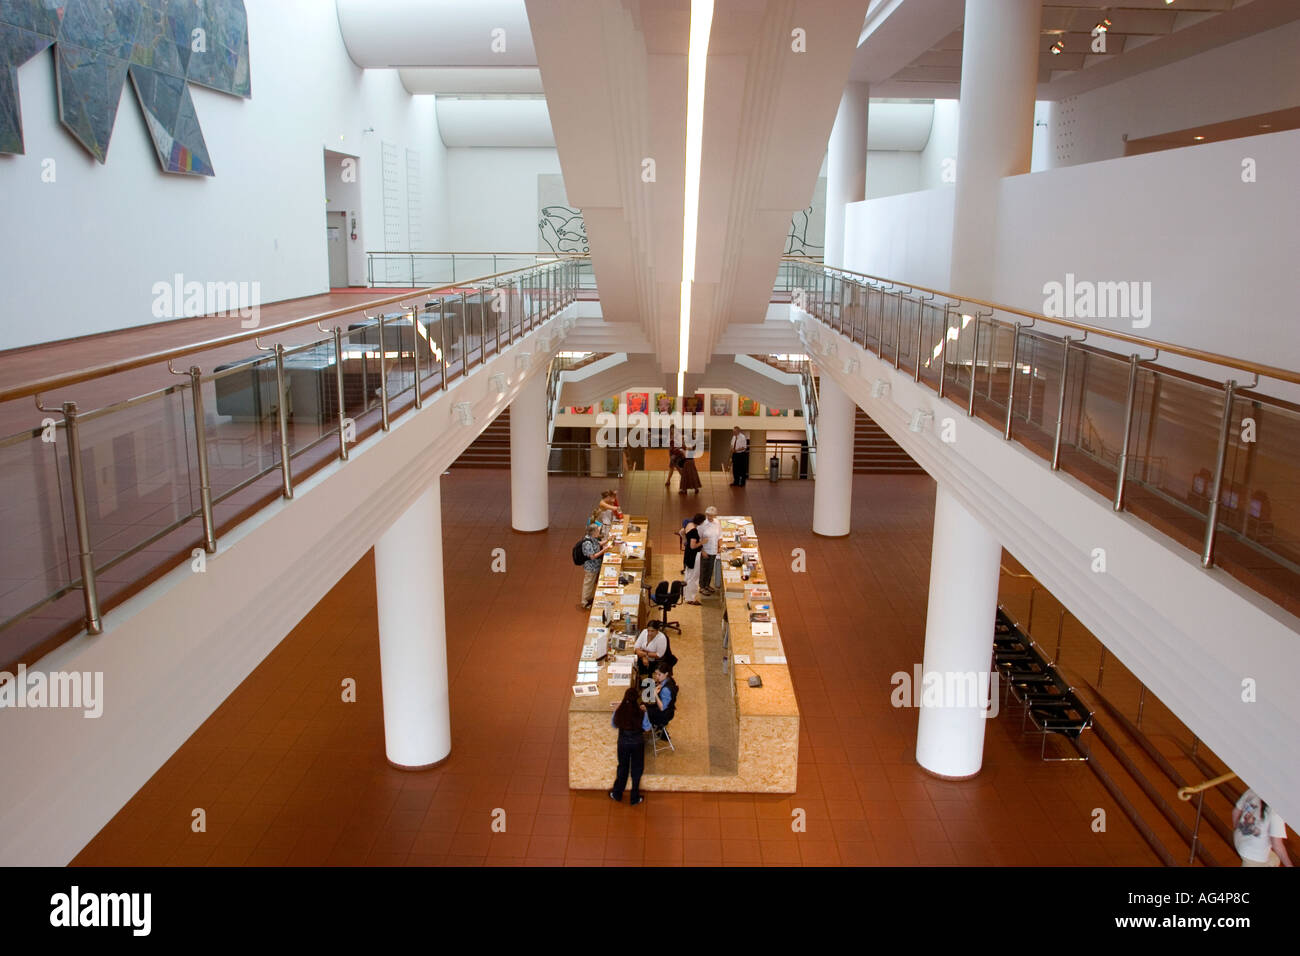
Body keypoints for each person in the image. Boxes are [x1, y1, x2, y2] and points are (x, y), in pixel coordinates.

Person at [1232, 789, 1293, 866]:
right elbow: (1277, 845)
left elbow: (1235, 812)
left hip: (1238, 839)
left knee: (1274, 859)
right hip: (1253, 855)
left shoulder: (1252, 790)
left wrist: (1237, 829)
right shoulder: (1276, 813)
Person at [608, 687, 645, 805]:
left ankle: (617, 793)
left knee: (623, 767)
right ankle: (634, 797)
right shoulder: (641, 712)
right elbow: (647, 727)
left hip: (623, 743)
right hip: (638, 743)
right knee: (637, 769)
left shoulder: (619, 711)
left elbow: (614, 724)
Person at [578, 522, 611, 610]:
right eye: (597, 531)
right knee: (588, 584)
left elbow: (599, 544)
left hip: (596, 566)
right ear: (593, 532)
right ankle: (584, 602)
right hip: (591, 567)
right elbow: (592, 556)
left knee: (592, 583)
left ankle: (590, 598)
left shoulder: (593, 538)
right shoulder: (587, 543)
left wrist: (608, 540)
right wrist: (604, 550)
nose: (598, 533)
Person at [642, 662, 677, 731]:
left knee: (642, 709)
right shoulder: (669, 680)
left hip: (663, 715)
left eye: (659, 674)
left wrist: (655, 694)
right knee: (644, 705)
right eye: (656, 674)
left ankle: (645, 727)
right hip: (669, 710)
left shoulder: (666, 690)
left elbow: (662, 708)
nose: (656, 676)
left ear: (666, 674)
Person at [697, 506, 721, 595]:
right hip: (705, 550)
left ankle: (707, 584)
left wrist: (719, 547)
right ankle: (702, 587)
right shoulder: (702, 525)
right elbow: (698, 539)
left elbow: (719, 535)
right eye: (708, 515)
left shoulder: (717, 522)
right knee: (704, 569)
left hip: (714, 550)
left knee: (710, 569)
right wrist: (702, 551)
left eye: (712, 516)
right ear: (706, 515)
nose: (710, 517)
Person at [682, 513, 704, 605]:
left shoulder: (688, 524)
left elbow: (681, 532)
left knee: (688, 574)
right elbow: (693, 546)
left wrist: (684, 540)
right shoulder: (694, 531)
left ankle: (685, 593)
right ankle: (690, 598)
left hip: (687, 554)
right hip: (693, 556)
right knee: (694, 577)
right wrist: (702, 542)